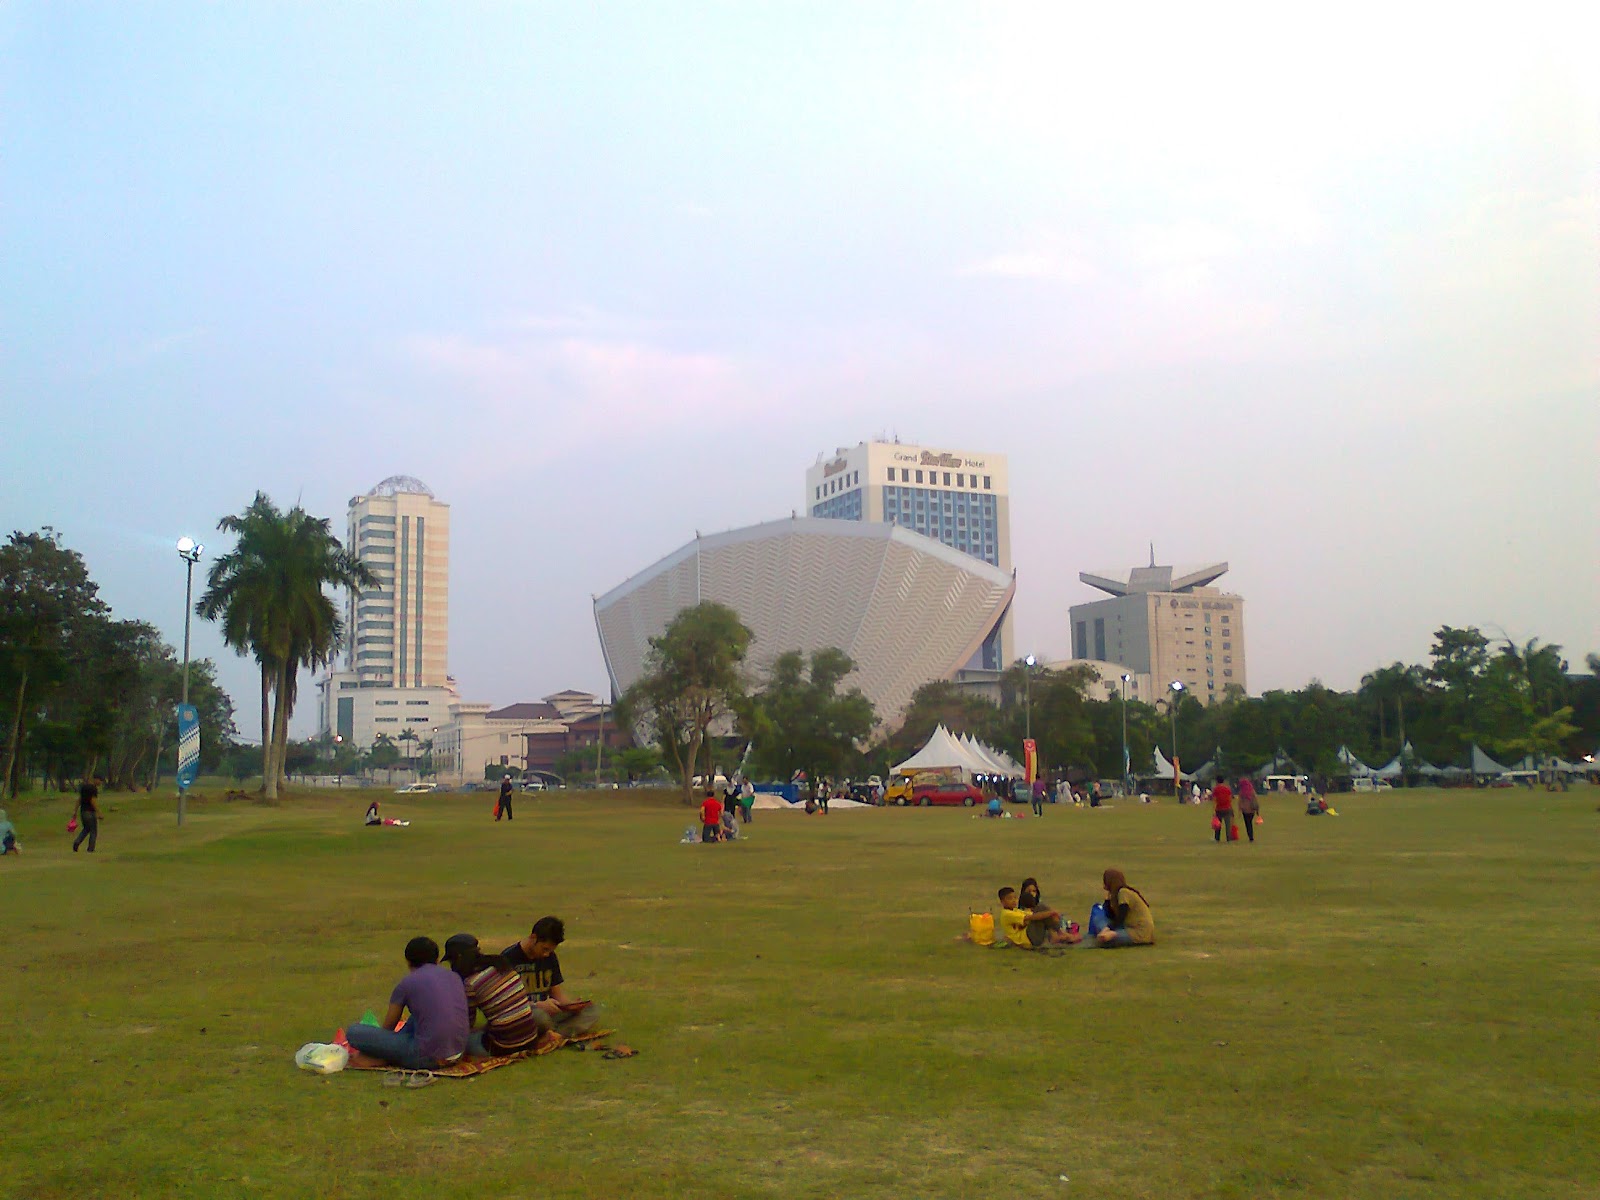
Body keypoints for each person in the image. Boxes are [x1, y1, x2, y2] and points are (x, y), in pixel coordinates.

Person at [345, 936, 470, 1070]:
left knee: (354, 1031)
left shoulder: (407, 983)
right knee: (418, 1016)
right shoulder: (454, 977)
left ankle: (383, 1057)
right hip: (458, 1052)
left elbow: (388, 1028)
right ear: (437, 959)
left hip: (426, 1058)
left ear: (408, 961)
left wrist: (381, 1047)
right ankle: (388, 1055)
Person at [500, 916, 598, 1043]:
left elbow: (557, 994)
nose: (546, 954)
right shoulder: (508, 958)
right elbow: (504, 1003)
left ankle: (551, 1035)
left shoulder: (550, 957)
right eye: (544, 949)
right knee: (539, 1017)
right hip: (524, 1014)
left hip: (549, 1013)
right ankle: (555, 1033)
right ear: (533, 938)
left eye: (550, 950)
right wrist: (537, 1005)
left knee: (592, 1010)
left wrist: (570, 1005)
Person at [441, 934, 542, 1057]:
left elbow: (467, 1024)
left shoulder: (470, 983)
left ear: (458, 958)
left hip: (504, 1046)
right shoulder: (501, 964)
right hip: (531, 1039)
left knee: (463, 1041)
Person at [997, 886, 1076, 948]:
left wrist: (1050, 913)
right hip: (1028, 939)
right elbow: (1031, 917)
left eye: (1015, 897)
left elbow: (1031, 914)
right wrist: (1051, 913)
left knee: (1041, 911)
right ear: (1002, 902)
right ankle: (1058, 933)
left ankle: (1056, 933)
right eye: (1010, 898)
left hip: (1030, 936)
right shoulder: (1006, 914)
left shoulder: (1015, 910)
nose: (1014, 900)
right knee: (1041, 908)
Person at [1095, 868, 1155, 947]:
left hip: (1138, 932)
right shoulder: (1118, 894)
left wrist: (1108, 929)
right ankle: (1108, 935)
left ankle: (1110, 935)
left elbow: (1121, 917)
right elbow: (1111, 916)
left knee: (1100, 922)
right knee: (1100, 921)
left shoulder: (1124, 893)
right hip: (1132, 928)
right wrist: (1107, 901)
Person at [1017, 877, 1080, 947]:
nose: (1032, 894)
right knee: (1042, 909)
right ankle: (1058, 933)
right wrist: (1051, 913)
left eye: (1034, 891)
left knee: (1045, 910)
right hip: (1031, 934)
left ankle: (1058, 933)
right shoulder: (1020, 909)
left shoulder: (1038, 904)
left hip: (1041, 930)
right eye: (1029, 891)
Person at [72, 782, 99, 852]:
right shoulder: (93, 789)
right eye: (100, 781)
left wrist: (75, 811)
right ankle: (91, 848)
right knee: (93, 831)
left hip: (83, 812)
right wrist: (99, 812)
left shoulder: (84, 788)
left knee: (86, 829)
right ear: (96, 779)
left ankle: (77, 841)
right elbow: (93, 801)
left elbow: (79, 800)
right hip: (90, 812)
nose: (100, 783)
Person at [1211, 776, 1235, 843]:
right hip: (1227, 807)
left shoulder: (1216, 789)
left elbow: (1214, 800)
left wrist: (1214, 810)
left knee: (1218, 824)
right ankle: (1228, 838)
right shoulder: (1227, 788)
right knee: (1228, 824)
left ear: (1217, 781)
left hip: (1219, 808)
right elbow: (1230, 798)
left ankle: (1217, 838)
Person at [1237, 775, 1259, 842]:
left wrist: (1239, 809)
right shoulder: (1252, 790)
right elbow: (1255, 799)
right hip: (1252, 809)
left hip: (1245, 810)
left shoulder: (1242, 791)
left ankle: (1250, 836)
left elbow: (1240, 801)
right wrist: (1257, 809)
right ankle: (1251, 836)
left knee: (1248, 823)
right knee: (1250, 822)